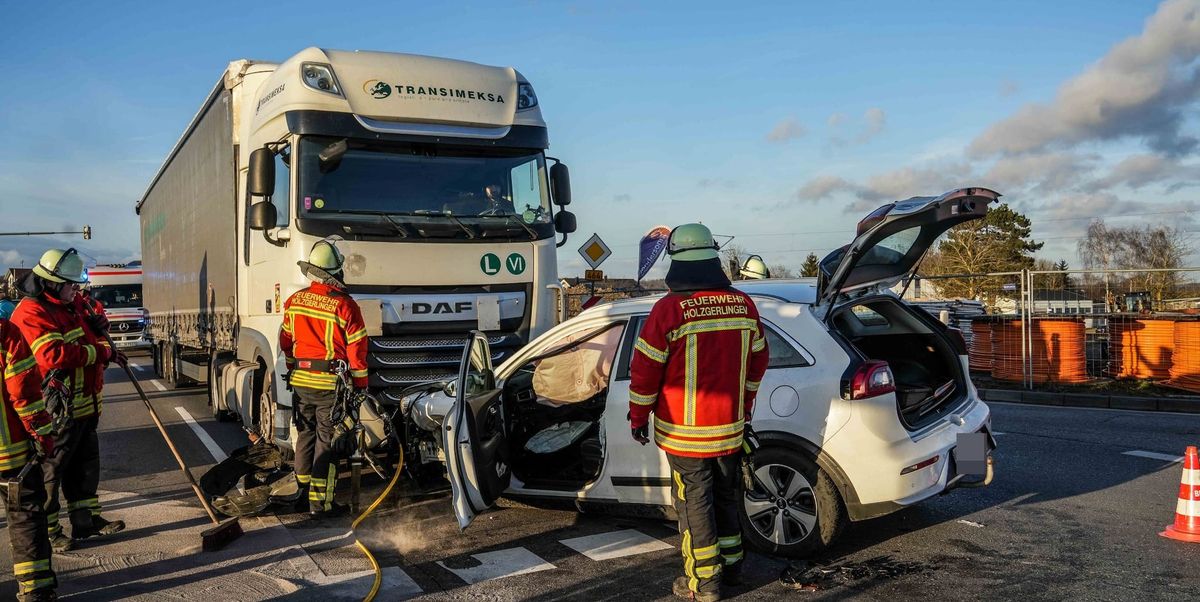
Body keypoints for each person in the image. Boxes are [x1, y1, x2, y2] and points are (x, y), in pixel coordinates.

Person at [628, 223, 769, 602]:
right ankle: (734, 568)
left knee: (695, 506)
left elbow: (644, 373)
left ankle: (703, 583)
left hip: (685, 434)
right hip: (730, 429)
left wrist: (638, 419)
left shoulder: (668, 310)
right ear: (713, 257)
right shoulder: (743, 304)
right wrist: (744, 407)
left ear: (676, 261)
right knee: (726, 497)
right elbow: (758, 363)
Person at [11, 248, 126, 553]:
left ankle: (86, 521)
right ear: (51, 283)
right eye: (71, 285)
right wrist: (101, 352)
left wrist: (102, 329)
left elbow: (94, 324)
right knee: (52, 470)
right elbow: (52, 356)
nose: (76, 290)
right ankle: (50, 532)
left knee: (84, 467)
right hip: (57, 408)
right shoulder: (31, 312)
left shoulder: (71, 304)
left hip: (85, 404)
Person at [279, 238, 369, 517]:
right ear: (337, 271)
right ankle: (321, 505)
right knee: (326, 441)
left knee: (304, 436)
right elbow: (357, 353)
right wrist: (361, 386)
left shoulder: (295, 301)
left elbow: (286, 340)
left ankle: (302, 494)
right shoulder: (345, 306)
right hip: (330, 386)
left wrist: (294, 365)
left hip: (301, 382)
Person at [0, 318, 59, 601]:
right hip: (8, 453)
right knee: (25, 518)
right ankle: (35, 590)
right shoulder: (4, 333)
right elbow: (23, 391)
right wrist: (41, 433)